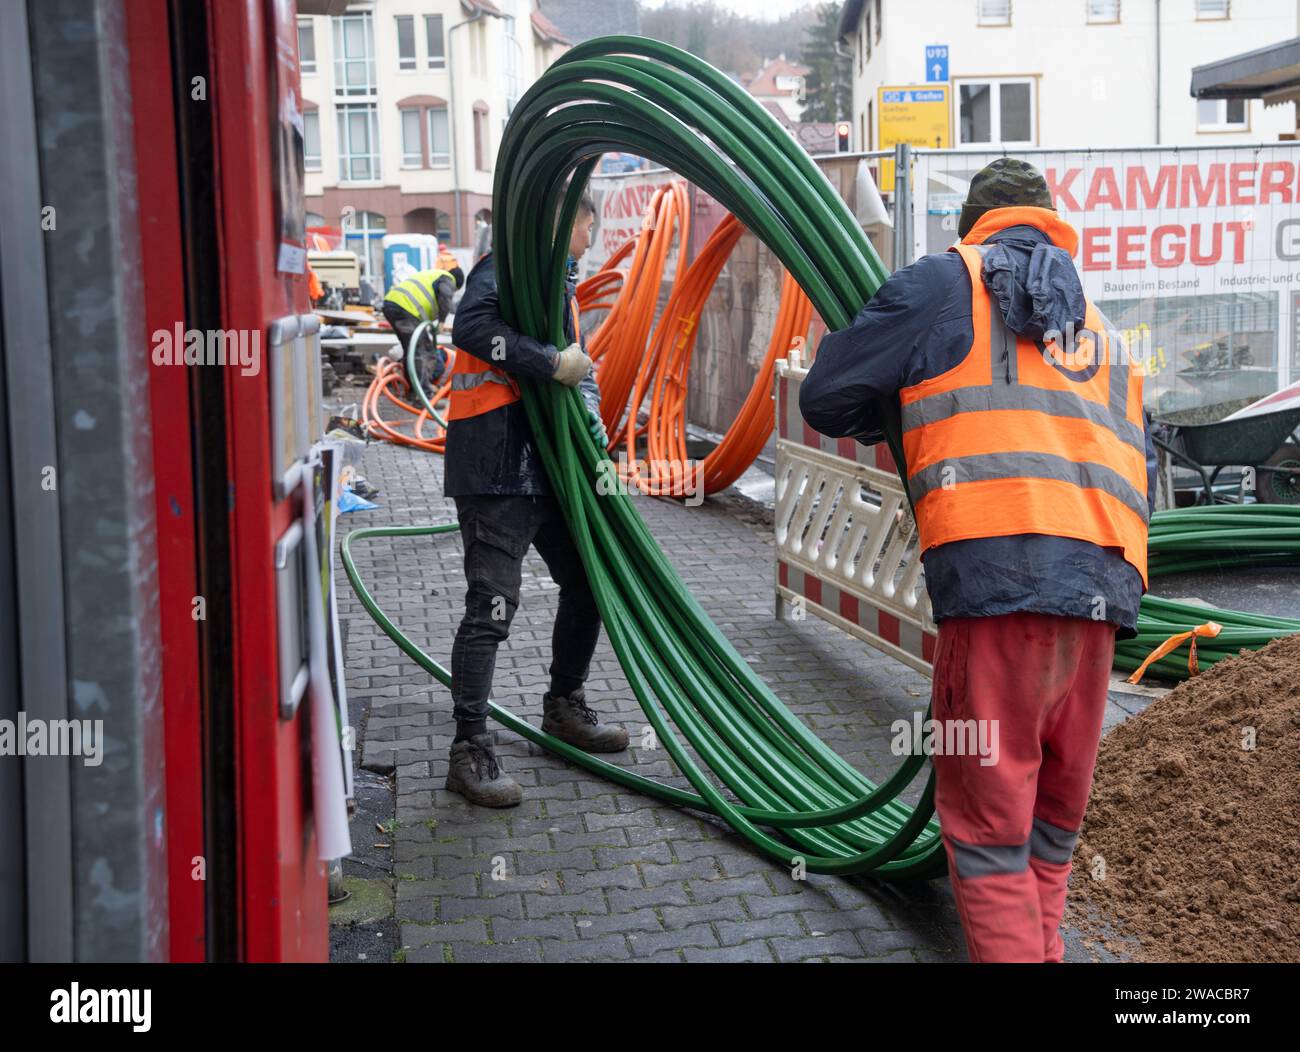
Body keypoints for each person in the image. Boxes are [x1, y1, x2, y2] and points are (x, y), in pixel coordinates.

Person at [799, 158, 1156, 963]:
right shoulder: (1100, 327)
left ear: (974, 225)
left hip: (1001, 585)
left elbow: (824, 397)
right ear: (1048, 223)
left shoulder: (945, 281)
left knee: (990, 831)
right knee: (1050, 826)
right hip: (1103, 596)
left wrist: (906, 406)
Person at [443, 188, 625, 808]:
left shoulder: (560, 288)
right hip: (496, 465)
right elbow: (471, 327)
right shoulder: (510, 268)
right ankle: (470, 749)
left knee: (586, 583)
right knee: (492, 606)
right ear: (567, 221)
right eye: (585, 229)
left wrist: (588, 408)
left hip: (547, 467)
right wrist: (549, 363)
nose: (589, 241)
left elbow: (577, 370)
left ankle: (563, 707)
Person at [381, 257, 465, 396]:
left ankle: (414, 391)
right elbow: (445, 295)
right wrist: (442, 322)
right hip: (405, 308)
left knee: (412, 350)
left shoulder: (432, 275)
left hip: (392, 304)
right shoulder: (447, 278)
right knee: (421, 351)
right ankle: (422, 395)